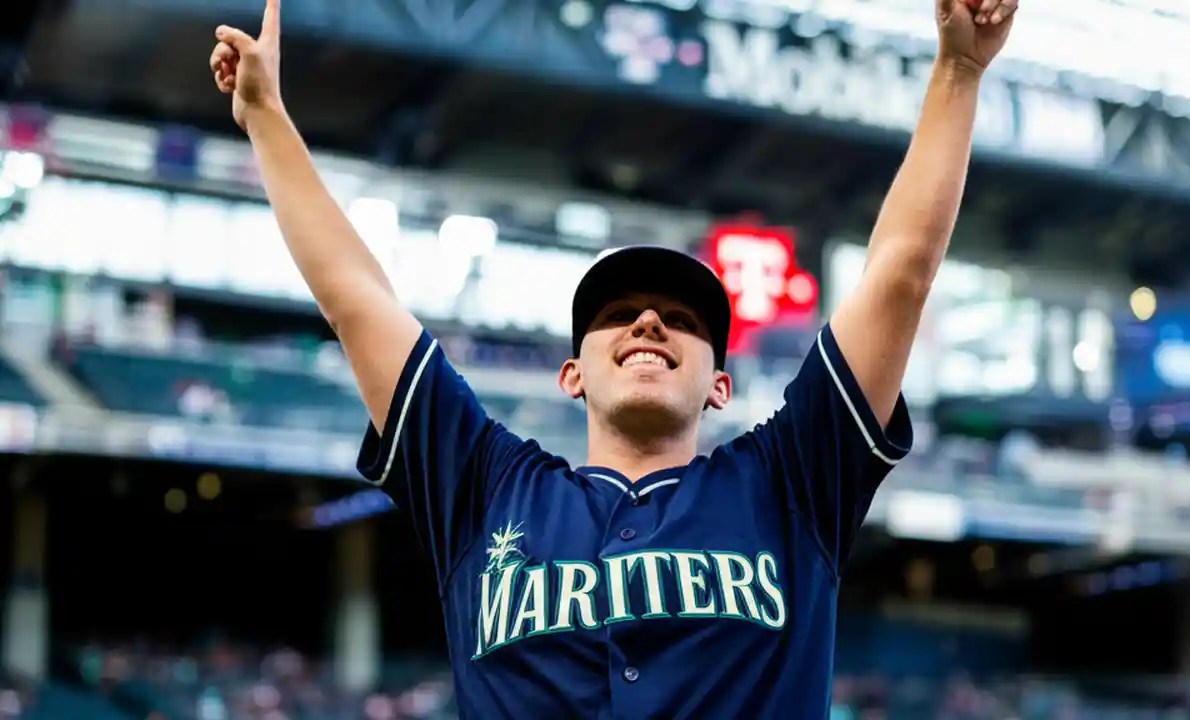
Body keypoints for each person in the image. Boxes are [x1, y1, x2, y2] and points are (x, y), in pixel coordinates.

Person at [208, 0, 1017, 716]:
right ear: (571, 375)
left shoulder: (790, 483)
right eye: (618, 316)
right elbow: (356, 300)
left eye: (681, 322)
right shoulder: (485, 487)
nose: (650, 324)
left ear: (719, 387)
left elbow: (900, 273)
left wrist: (957, 73)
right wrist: (267, 119)